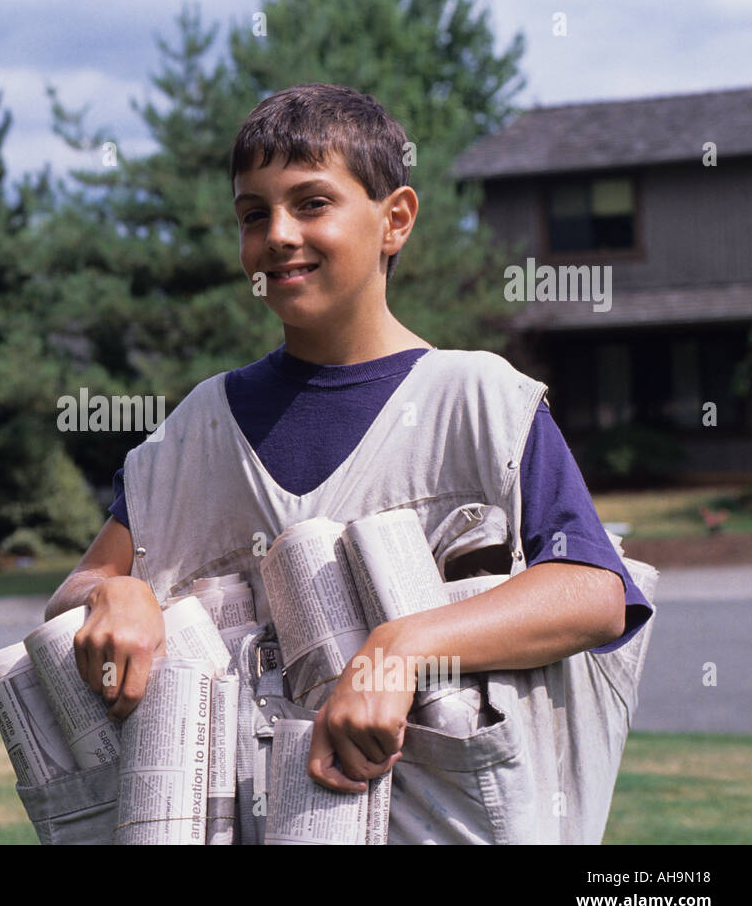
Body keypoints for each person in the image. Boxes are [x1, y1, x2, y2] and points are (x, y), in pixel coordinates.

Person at [42, 83, 654, 843]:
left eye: (311, 203)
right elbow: (81, 589)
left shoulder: (479, 399)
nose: (278, 235)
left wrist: (400, 649)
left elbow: (593, 592)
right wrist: (114, 596)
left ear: (395, 219)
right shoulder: (196, 427)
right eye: (252, 214)